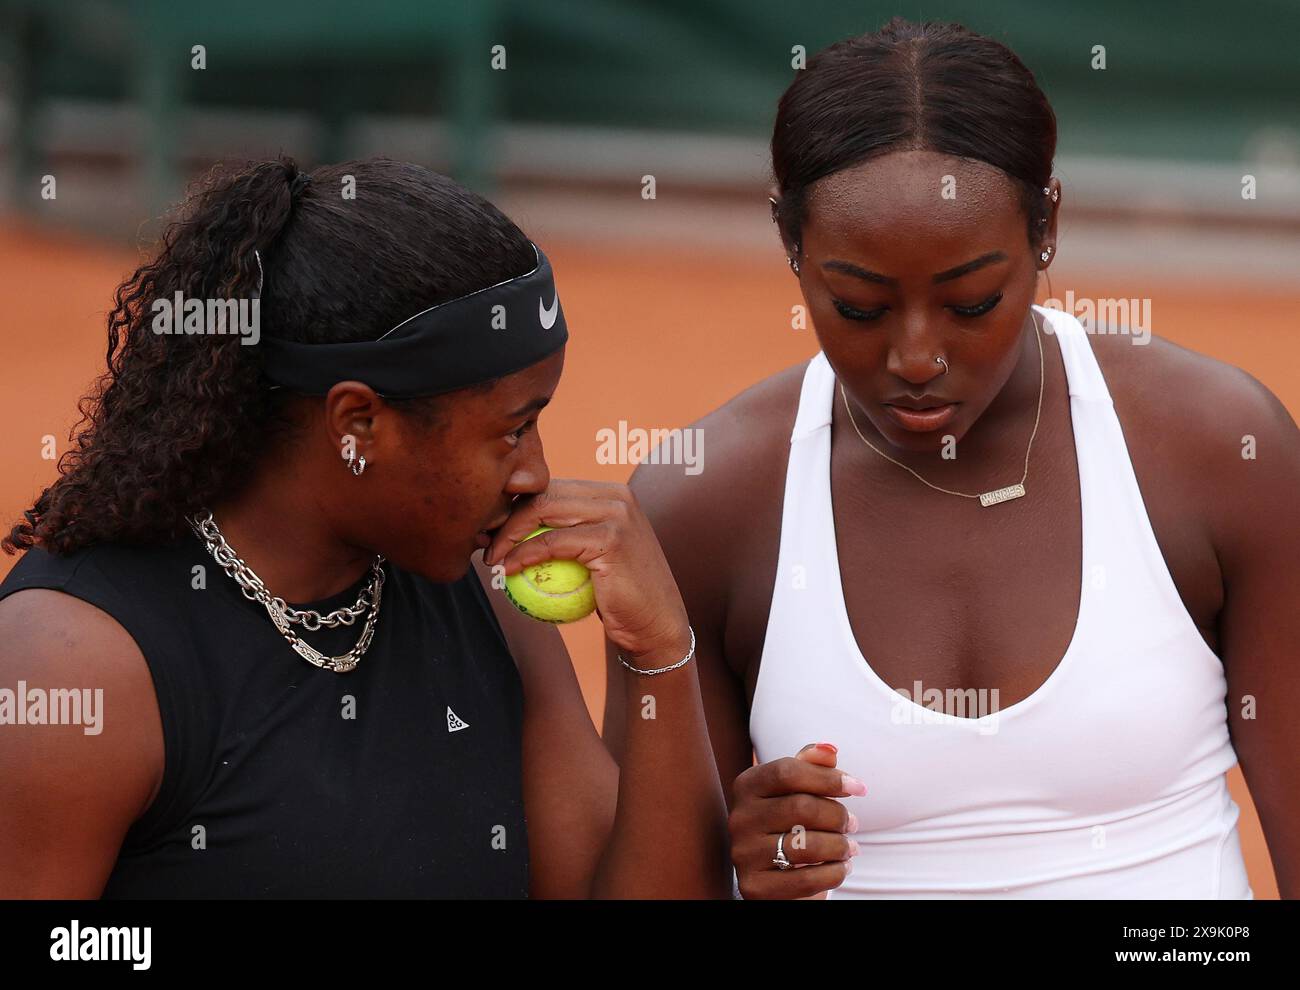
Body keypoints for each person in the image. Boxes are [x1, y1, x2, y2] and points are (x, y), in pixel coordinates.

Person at [603, 18, 1300, 899]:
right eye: (859, 308)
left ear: (1048, 226)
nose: (917, 358)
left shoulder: (1221, 450)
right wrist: (744, 862)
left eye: (973, 302)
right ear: (789, 244)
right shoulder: (702, 503)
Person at [0, 156, 730, 898]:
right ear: (359, 424)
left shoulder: (488, 595)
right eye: (512, 431)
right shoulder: (81, 664)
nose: (534, 474)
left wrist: (660, 651)